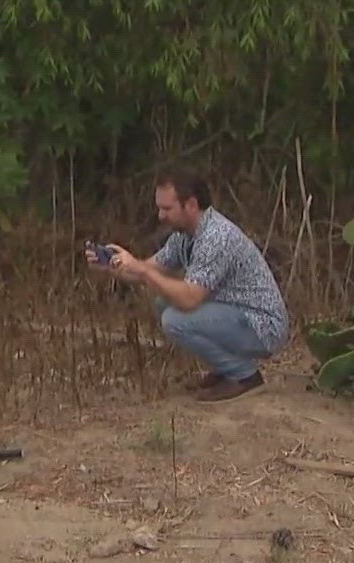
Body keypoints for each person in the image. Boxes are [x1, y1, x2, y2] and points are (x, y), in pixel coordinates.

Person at [87, 168, 290, 402]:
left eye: (167, 209)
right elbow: (149, 269)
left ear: (191, 205)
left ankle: (245, 376)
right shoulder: (185, 235)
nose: (160, 215)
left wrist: (140, 269)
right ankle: (226, 370)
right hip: (237, 314)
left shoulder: (216, 237)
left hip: (262, 325)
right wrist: (113, 266)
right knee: (165, 302)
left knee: (175, 319)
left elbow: (189, 298)